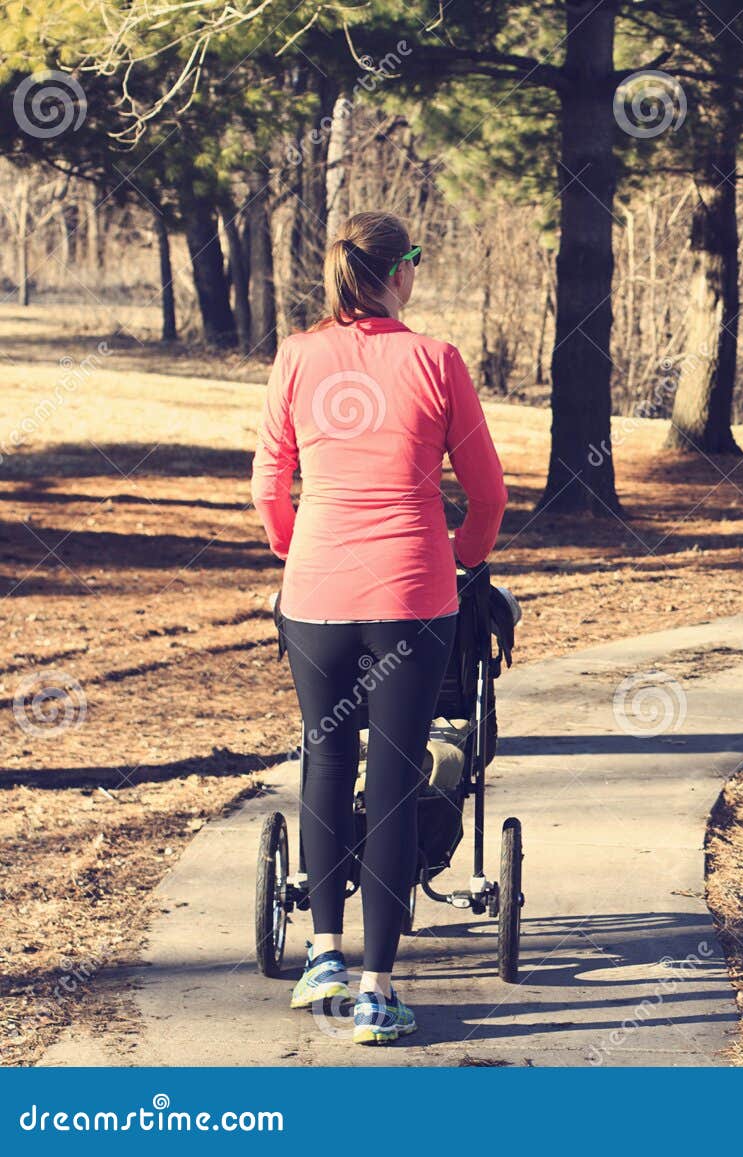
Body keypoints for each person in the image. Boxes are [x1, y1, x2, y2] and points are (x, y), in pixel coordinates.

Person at [250, 211, 508, 1044]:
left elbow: (268, 488)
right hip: (411, 594)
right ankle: (375, 988)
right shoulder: (436, 360)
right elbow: (489, 492)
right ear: (403, 271)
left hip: (315, 593)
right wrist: (462, 560)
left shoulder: (295, 354)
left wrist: (300, 555)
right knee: (393, 776)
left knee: (326, 757)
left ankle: (323, 954)